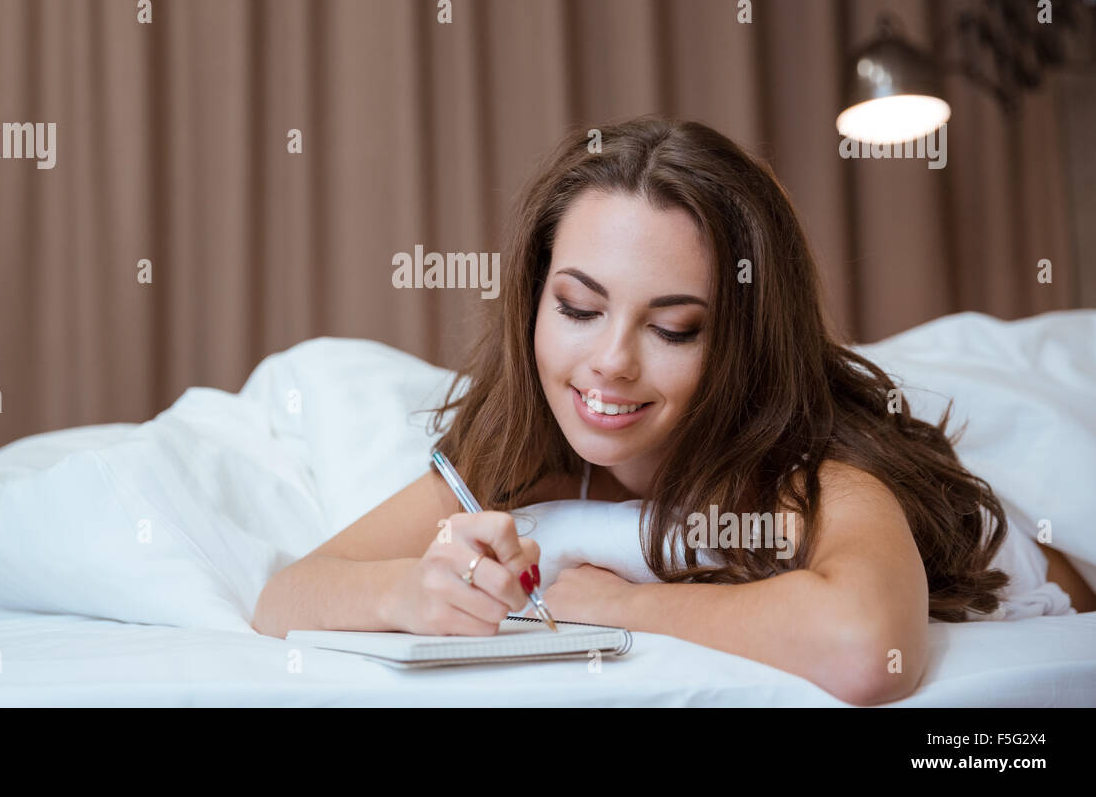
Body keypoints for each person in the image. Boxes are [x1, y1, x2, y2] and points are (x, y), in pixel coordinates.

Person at [251, 115, 1095, 705]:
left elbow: (870, 650)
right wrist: (410, 593)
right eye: (579, 309)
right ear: (533, 301)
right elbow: (286, 596)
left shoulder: (821, 466)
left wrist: (623, 607)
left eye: (674, 327)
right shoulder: (525, 445)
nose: (610, 363)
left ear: (740, 342)